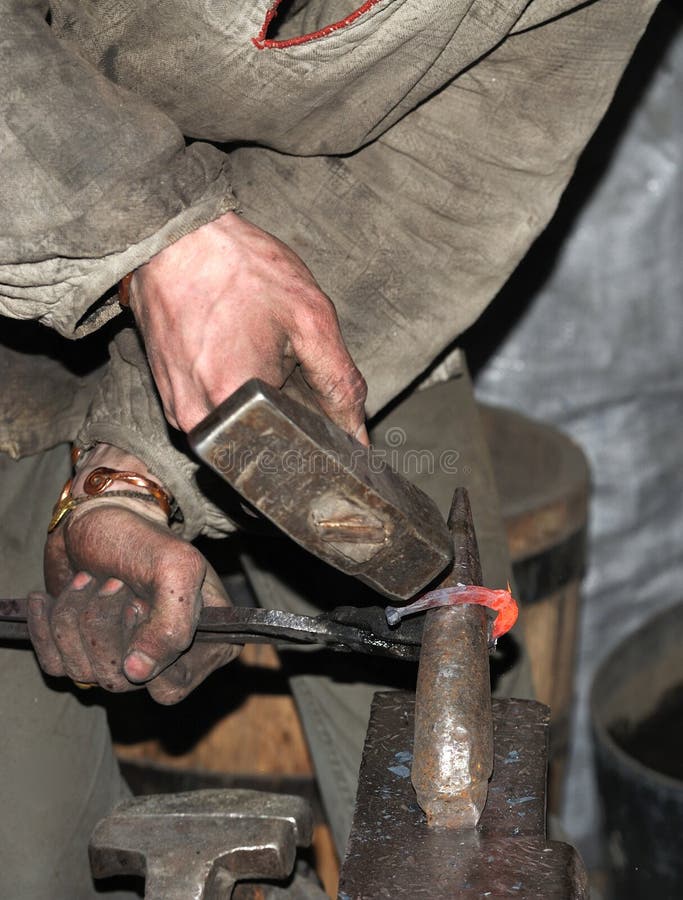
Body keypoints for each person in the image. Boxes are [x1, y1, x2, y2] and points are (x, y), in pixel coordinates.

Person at [0, 0, 659, 895]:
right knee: (30, 860)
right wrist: (154, 241)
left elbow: (445, 178)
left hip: (331, 275)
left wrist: (133, 475)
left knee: (478, 851)